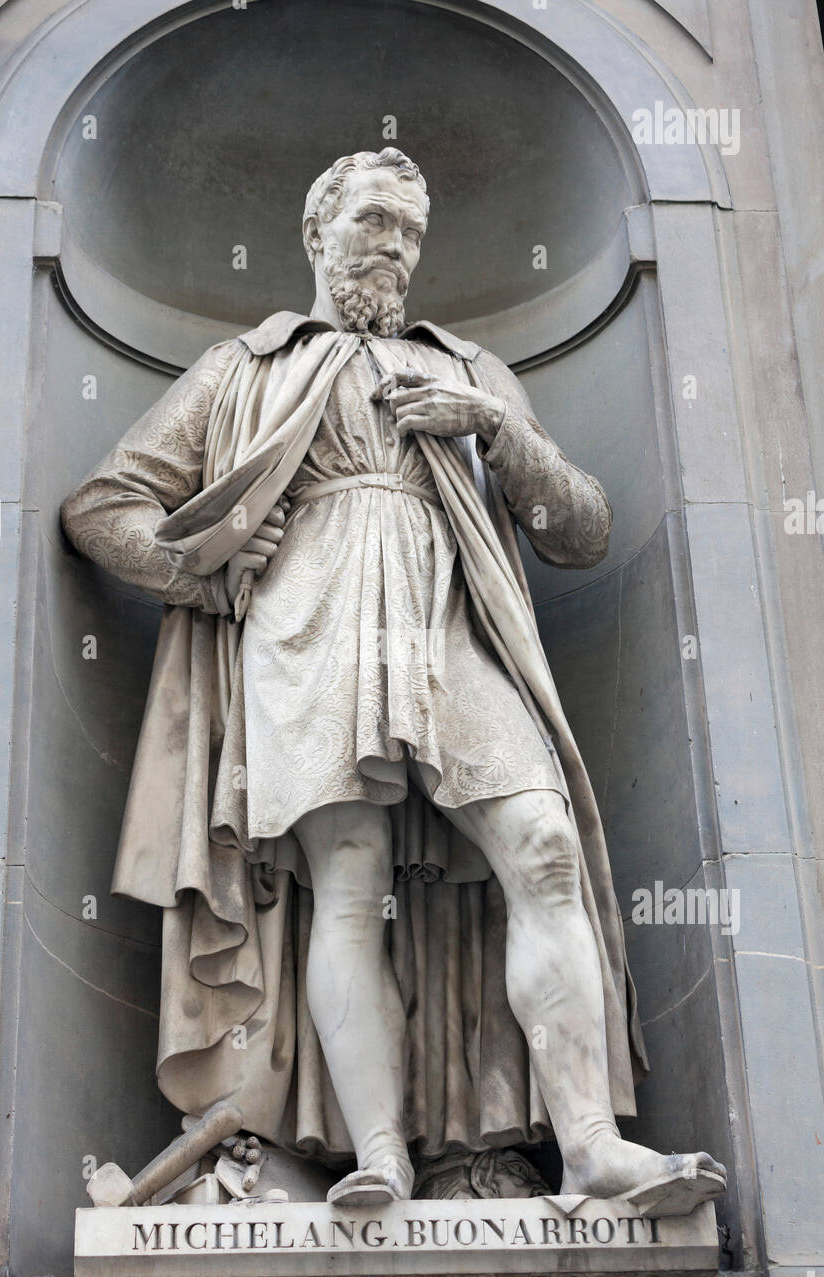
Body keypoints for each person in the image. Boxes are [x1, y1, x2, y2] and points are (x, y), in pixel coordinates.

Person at [62, 148, 725, 1214]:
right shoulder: (246, 368)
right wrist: (207, 563)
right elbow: (102, 508)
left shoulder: (466, 369)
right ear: (315, 229)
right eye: (373, 219)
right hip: (306, 627)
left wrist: (496, 431)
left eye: (411, 231)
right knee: (350, 883)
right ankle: (380, 1153)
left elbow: (580, 527)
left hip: (447, 628)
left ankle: (591, 1143)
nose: (394, 246)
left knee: (544, 848)